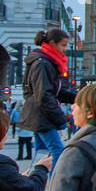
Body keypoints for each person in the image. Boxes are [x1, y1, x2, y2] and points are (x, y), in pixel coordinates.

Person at [21, 28, 76, 165]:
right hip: (42, 115)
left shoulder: (47, 61)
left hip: (38, 113)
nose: (65, 49)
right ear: (52, 43)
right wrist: (61, 119)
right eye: (63, 45)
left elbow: (57, 92)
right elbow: (44, 94)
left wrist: (79, 97)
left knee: (42, 152)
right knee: (57, 152)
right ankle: (54, 184)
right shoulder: (43, 63)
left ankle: (37, 181)